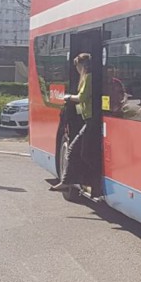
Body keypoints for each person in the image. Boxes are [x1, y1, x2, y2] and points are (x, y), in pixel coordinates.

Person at [52, 53, 94, 192]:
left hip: (90, 120)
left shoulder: (88, 78)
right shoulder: (88, 77)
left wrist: (68, 97)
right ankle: (78, 180)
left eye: (77, 66)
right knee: (82, 150)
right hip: (87, 119)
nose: (76, 69)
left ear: (81, 66)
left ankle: (70, 181)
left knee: (73, 149)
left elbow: (82, 97)